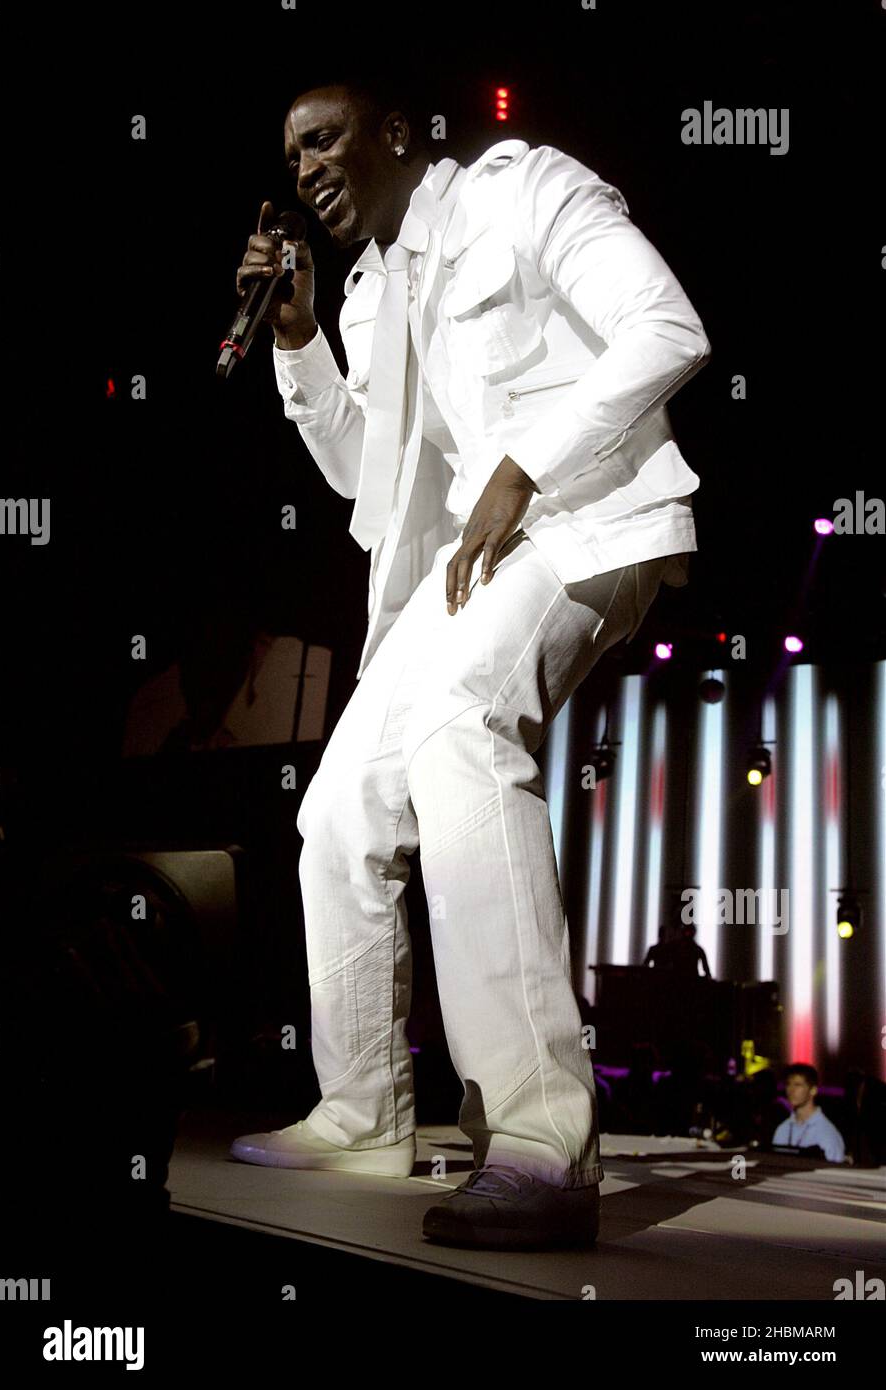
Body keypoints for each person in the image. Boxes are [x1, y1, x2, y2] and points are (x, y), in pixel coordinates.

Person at [229, 75, 711, 1250]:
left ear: (395, 133)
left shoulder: (521, 189)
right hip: (466, 562)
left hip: (588, 519)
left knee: (456, 726)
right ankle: (363, 1110)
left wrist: (525, 464)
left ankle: (541, 1139)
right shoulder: (368, 291)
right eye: (292, 157)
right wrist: (295, 340)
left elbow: (668, 327)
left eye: (325, 139)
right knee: (337, 813)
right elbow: (364, 477)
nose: (307, 170)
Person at [771, 1064, 846, 1163]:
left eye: (798, 1085)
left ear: (813, 1090)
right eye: (788, 1084)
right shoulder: (782, 1129)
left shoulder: (827, 1133)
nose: (791, 1090)